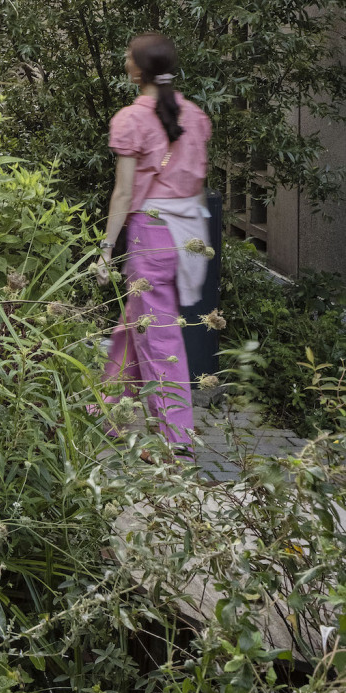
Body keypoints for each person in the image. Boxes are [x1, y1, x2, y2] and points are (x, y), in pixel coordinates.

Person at [98, 32, 214, 450]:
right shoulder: (196, 116)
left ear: (139, 69)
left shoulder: (131, 119)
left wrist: (106, 248)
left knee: (160, 334)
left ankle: (176, 437)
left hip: (151, 233)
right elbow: (197, 185)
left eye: (128, 55)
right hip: (188, 233)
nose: (124, 60)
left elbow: (124, 194)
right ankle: (110, 412)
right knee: (134, 324)